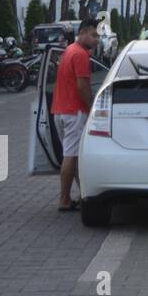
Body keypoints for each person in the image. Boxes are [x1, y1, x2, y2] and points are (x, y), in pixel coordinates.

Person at [52, 17, 100, 212]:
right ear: (82, 33)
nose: (96, 39)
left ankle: (84, 195)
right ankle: (64, 199)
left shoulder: (69, 50)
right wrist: (92, 108)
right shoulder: (80, 55)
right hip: (75, 112)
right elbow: (82, 86)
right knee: (71, 155)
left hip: (60, 110)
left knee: (75, 155)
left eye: (98, 36)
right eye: (93, 35)